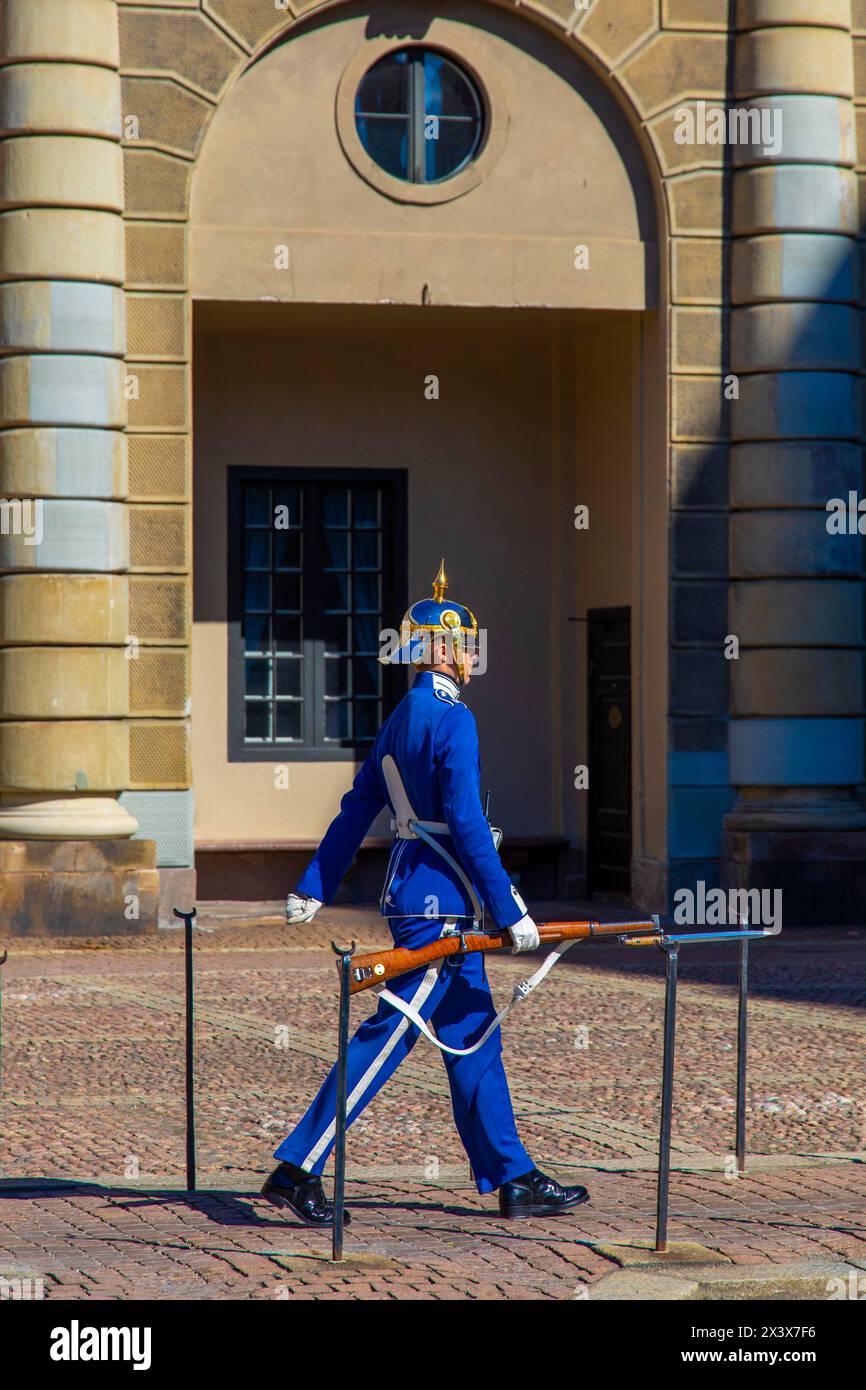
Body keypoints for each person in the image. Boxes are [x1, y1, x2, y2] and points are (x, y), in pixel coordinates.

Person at [261, 562, 589, 1225]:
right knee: (388, 1039)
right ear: (440, 648)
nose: (471, 656)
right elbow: (467, 824)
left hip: (416, 887)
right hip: (440, 899)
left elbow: (357, 808)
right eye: (464, 644)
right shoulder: (453, 719)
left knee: (473, 1033)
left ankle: (512, 1174)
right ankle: (298, 1165)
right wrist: (512, 908)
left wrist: (315, 883)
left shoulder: (401, 717)